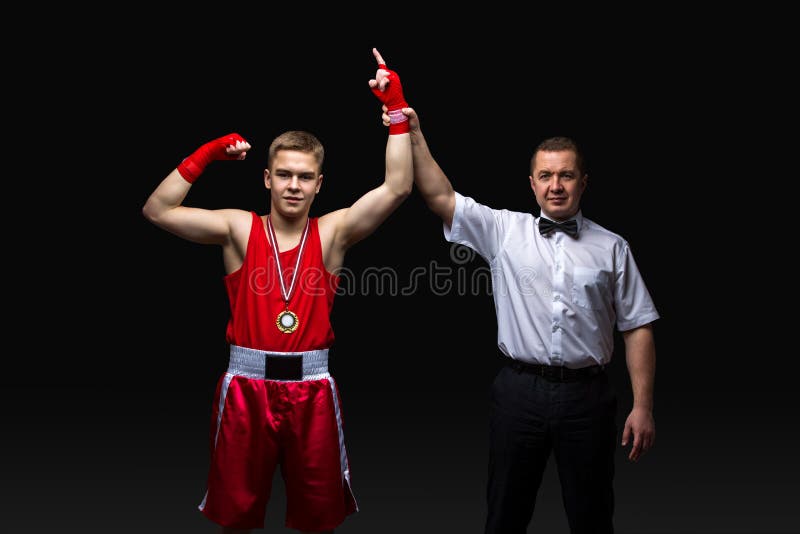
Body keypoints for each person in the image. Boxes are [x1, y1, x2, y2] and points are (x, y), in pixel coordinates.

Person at [142, 48, 412, 534]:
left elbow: (397, 187)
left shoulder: (332, 233)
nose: (293, 185)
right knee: (238, 517)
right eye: (284, 175)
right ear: (267, 178)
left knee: (318, 518)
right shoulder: (238, 229)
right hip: (246, 387)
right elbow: (157, 210)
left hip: (312, 390)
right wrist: (206, 155)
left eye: (304, 177)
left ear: (319, 185)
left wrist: (396, 109)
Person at [381, 105, 659, 533]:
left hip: (588, 398)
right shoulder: (504, 231)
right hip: (518, 394)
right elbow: (439, 196)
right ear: (532, 184)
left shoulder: (613, 247)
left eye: (566, 175)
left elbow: (637, 326)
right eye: (546, 176)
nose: (556, 185)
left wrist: (643, 406)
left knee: (593, 518)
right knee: (505, 516)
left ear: (583, 182)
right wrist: (412, 129)